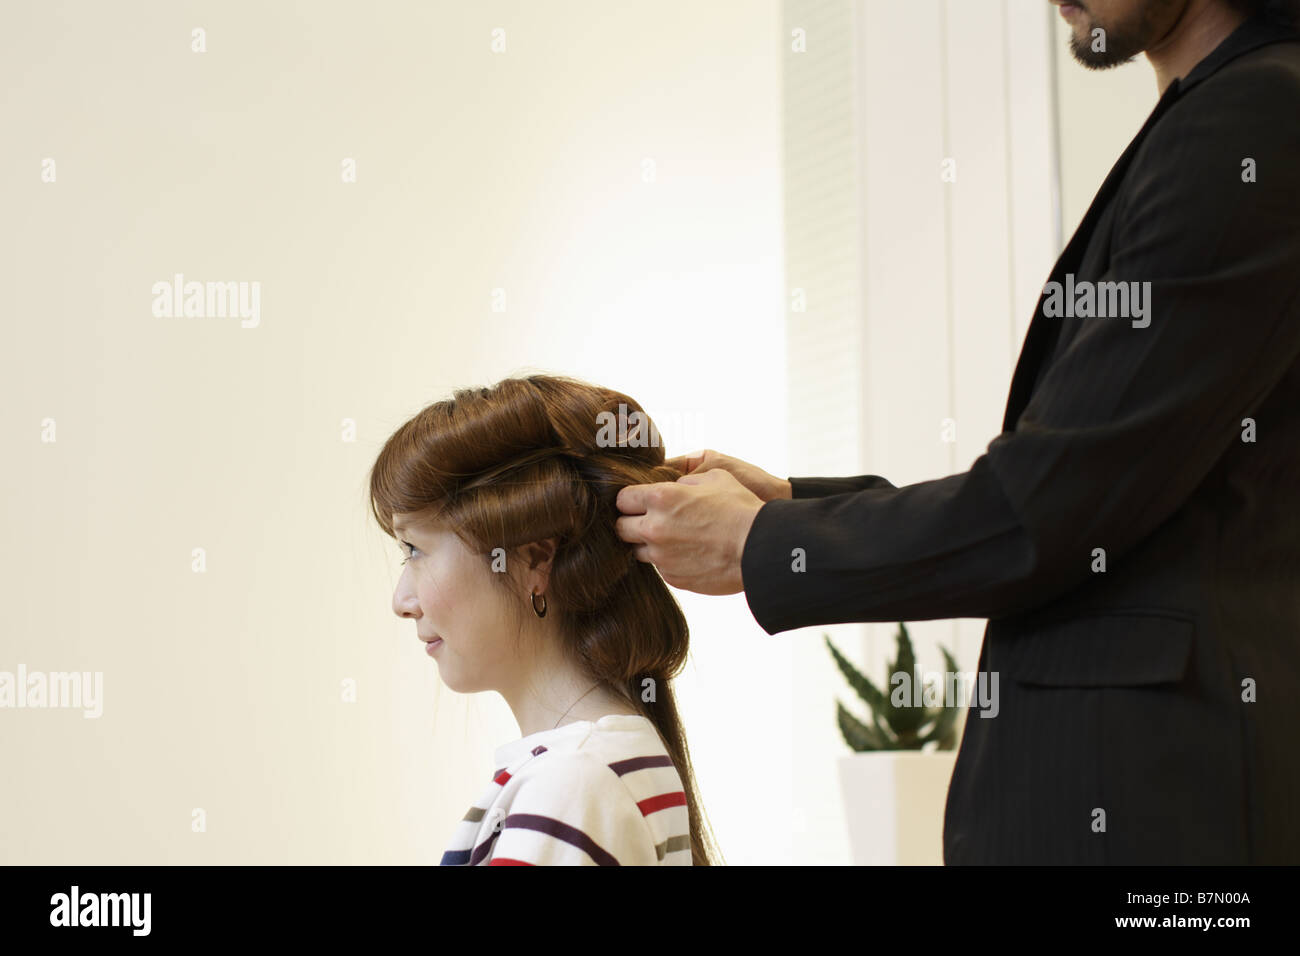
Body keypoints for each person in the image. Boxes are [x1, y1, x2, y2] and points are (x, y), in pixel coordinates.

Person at [614, 0, 1300, 863]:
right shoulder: (1222, 116)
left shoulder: (1251, 121)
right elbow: (1106, 492)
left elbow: (1046, 511)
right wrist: (794, 503)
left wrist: (768, 542)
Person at [371, 374, 721, 865]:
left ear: (535, 558)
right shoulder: (595, 766)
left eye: (414, 548)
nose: (401, 600)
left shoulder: (571, 782)